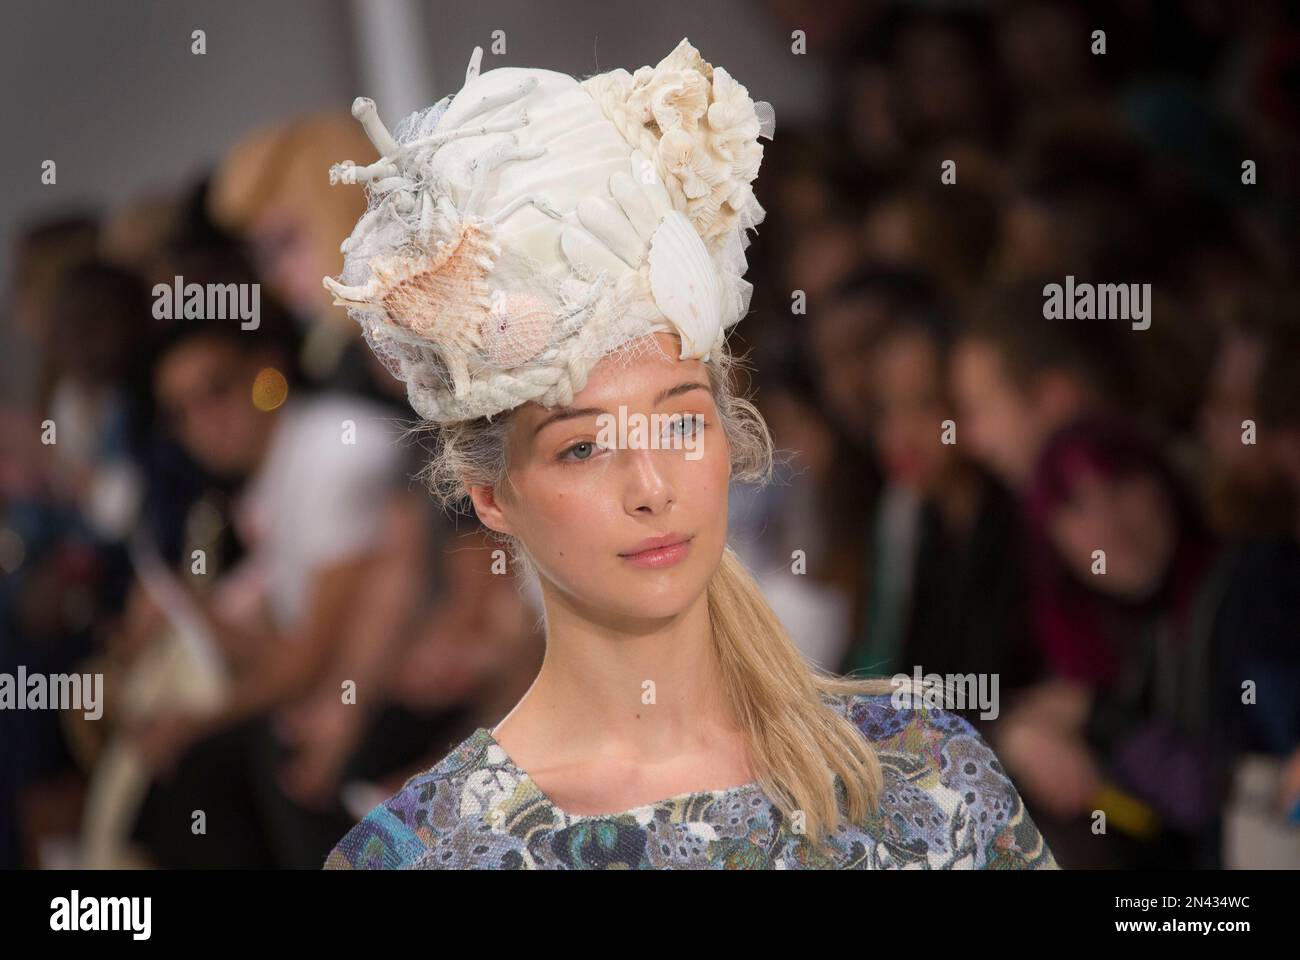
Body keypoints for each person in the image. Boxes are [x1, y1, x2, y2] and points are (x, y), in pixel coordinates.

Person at [321, 38, 1057, 870]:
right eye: (583, 448)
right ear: (489, 493)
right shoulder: (426, 856)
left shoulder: (926, 770)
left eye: (679, 424)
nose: (651, 487)